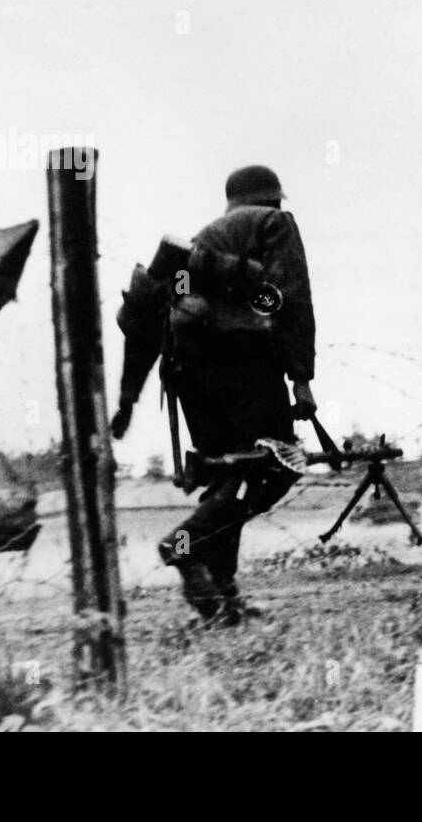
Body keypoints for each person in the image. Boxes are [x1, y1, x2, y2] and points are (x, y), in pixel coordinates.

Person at [111, 164, 317, 626]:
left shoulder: (200, 242)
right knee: (271, 467)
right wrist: (300, 378)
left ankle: (223, 601)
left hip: (188, 375)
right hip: (243, 365)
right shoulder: (273, 224)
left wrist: (128, 400)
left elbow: (154, 319)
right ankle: (182, 547)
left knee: (231, 478)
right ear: (273, 199)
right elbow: (289, 297)